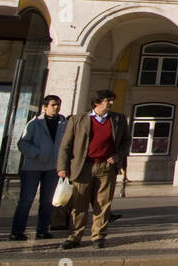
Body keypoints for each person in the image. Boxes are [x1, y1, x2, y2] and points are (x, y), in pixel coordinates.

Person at [57, 89, 129, 249]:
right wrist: (62, 167)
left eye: (111, 100)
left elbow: (125, 141)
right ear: (97, 103)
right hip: (83, 166)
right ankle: (74, 236)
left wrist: (118, 156)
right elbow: (65, 145)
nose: (110, 103)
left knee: (103, 204)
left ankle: (98, 236)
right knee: (78, 204)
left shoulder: (118, 119)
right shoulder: (78, 120)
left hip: (106, 167)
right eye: (107, 100)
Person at [11, 95, 67, 240]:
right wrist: (37, 153)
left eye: (58, 105)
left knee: (47, 201)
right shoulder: (35, 123)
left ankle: (42, 230)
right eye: (54, 104)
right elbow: (22, 143)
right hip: (33, 167)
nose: (57, 107)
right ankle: (17, 231)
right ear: (45, 106)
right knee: (26, 200)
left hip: (53, 167)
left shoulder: (64, 122)